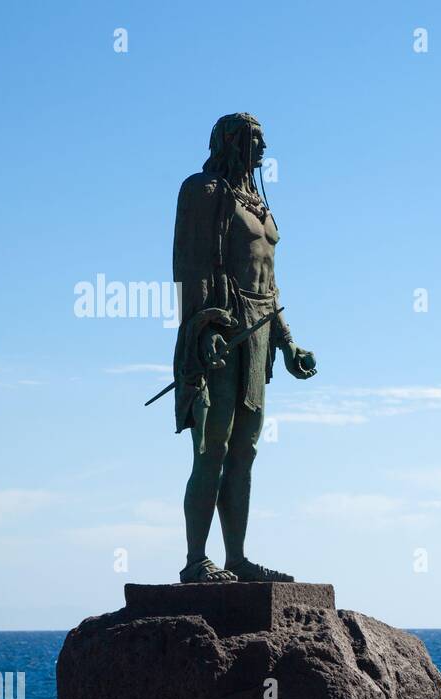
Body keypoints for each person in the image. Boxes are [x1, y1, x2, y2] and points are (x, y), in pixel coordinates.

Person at [171, 113, 317, 584]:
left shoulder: (261, 205)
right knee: (212, 446)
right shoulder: (204, 191)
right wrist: (203, 325)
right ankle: (196, 560)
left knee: (245, 449)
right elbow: (191, 267)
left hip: (258, 335)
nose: (264, 147)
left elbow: (271, 286)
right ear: (231, 142)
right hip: (221, 328)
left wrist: (288, 343)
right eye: (255, 139)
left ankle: (236, 559)